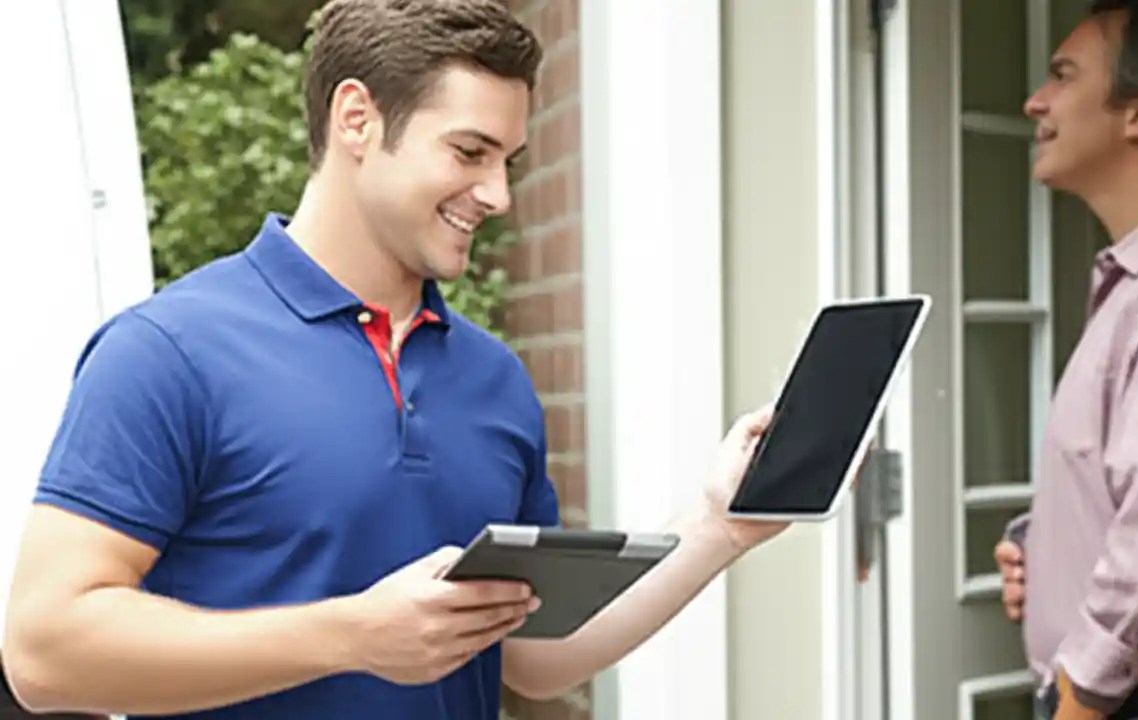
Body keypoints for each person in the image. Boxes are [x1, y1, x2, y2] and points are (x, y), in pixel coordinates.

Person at [0, 1, 788, 717]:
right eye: (470, 151)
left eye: (507, 161)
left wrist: (719, 526)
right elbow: (43, 651)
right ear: (357, 119)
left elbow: (535, 656)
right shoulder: (167, 352)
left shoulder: (493, 380)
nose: (497, 195)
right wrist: (350, 637)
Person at [992, 2, 1138, 719]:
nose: (1035, 102)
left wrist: (1079, 697)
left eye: (1062, 76)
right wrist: (1044, 552)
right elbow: (1126, 485)